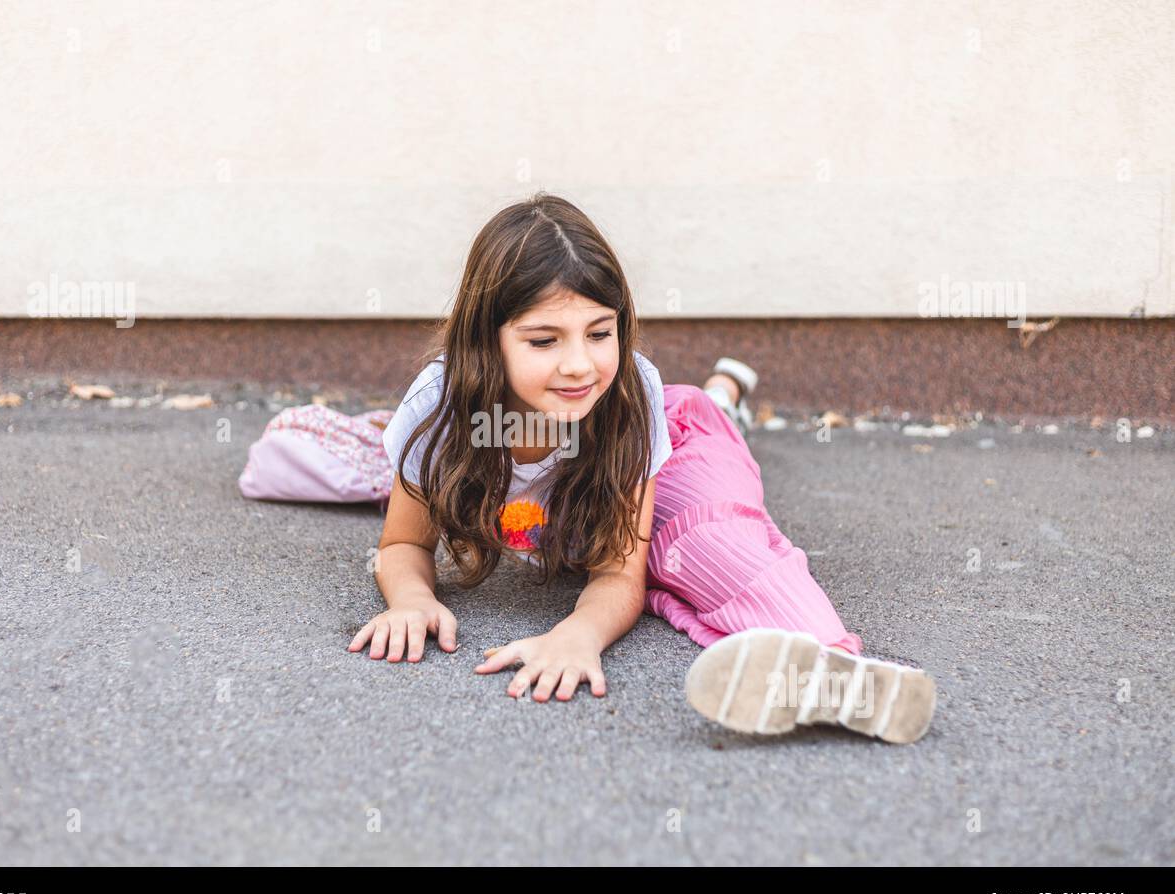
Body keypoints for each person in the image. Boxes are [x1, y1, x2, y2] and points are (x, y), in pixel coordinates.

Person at [246, 191, 936, 743]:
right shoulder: (444, 410)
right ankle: (729, 392)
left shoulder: (627, 396)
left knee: (702, 545)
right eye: (544, 339)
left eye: (600, 333)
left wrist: (579, 633)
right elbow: (401, 543)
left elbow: (618, 574)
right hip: (557, 496)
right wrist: (413, 598)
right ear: (486, 343)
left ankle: (834, 666)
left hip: (682, 440)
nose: (580, 363)